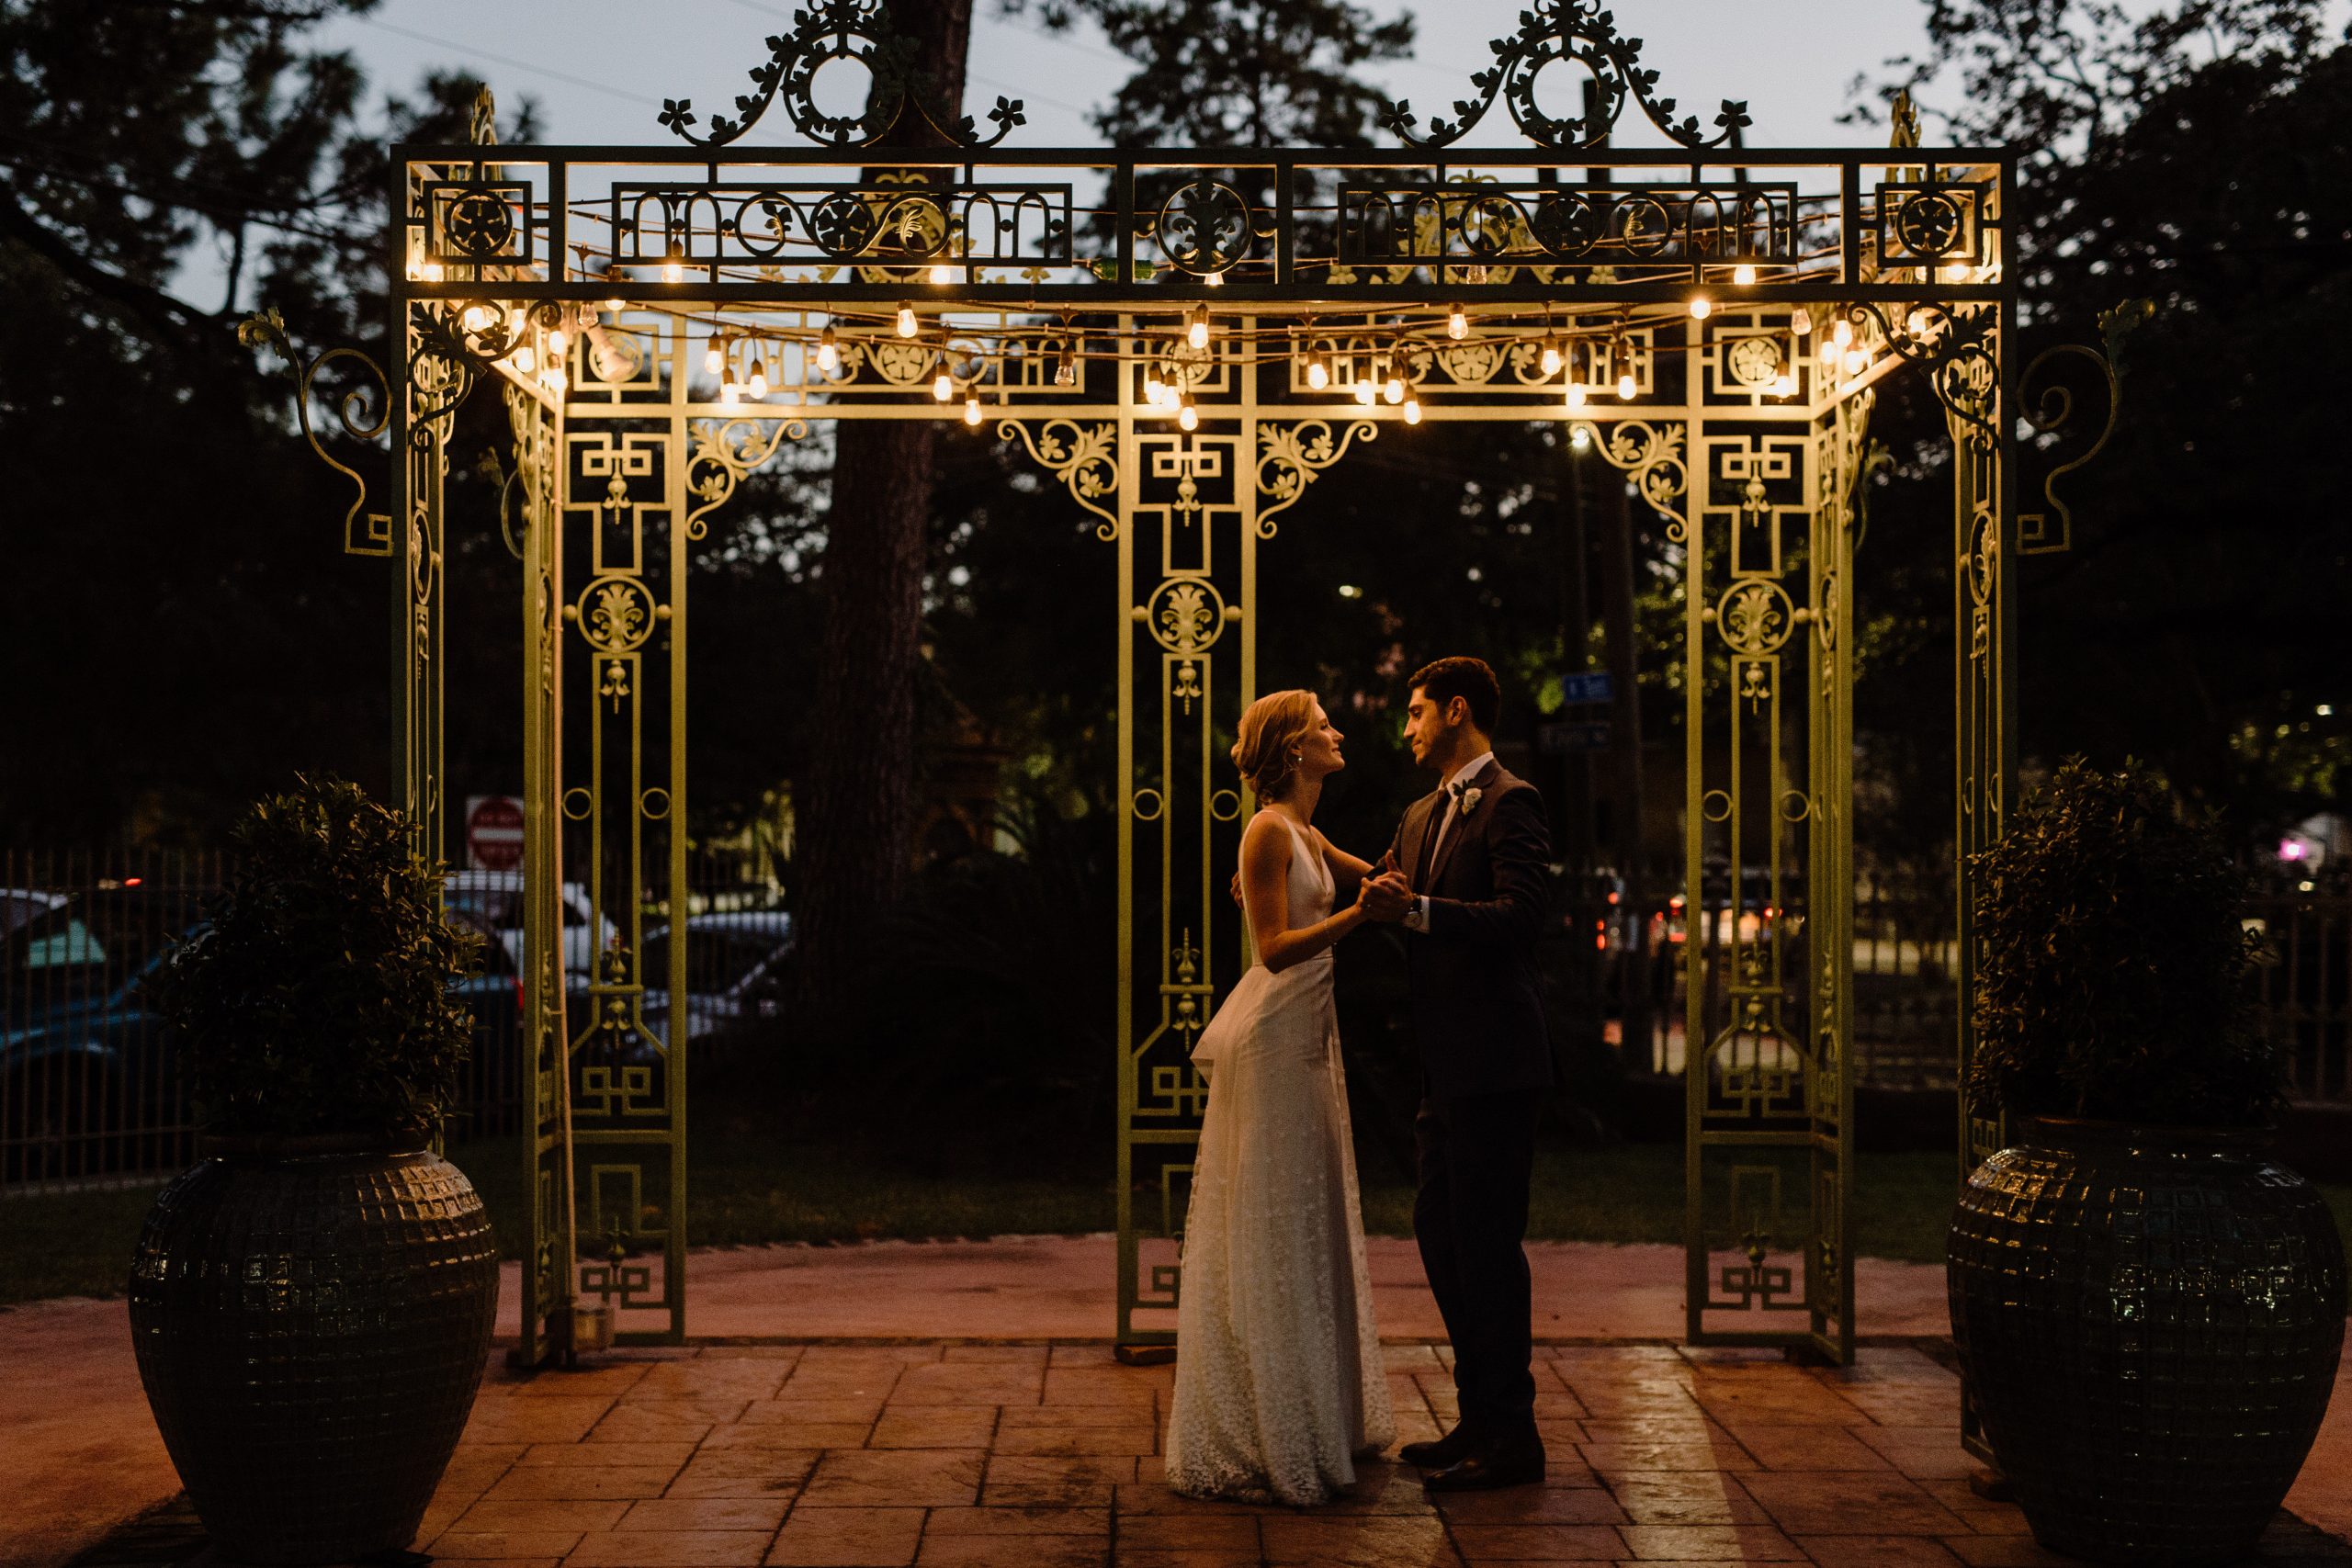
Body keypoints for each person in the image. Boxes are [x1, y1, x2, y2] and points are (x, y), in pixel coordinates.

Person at [1164, 689, 1395, 1506]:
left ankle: (1319, 1412)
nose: (1338, 732)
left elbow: (1386, 877)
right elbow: (1271, 950)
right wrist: (1361, 916)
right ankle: (1272, 1425)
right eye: (1324, 724)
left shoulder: (1304, 829)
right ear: (1295, 749)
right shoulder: (1265, 829)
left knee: (1313, 1214)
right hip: (1275, 1039)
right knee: (1276, 1218)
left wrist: (1388, 888)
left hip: (1308, 1043)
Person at [1356, 656, 1554, 1492]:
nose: (1406, 726)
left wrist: (1425, 914)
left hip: (1497, 1064)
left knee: (1487, 1248)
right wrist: (1276, 876)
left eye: (1416, 711)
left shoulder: (1511, 801)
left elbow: (1526, 918)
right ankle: (1480, 1418)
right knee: (1443, 1237)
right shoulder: (1416, 815)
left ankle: (1513, 1437)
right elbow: (1376, 886)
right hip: (1441, 1068)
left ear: (1456, 711)